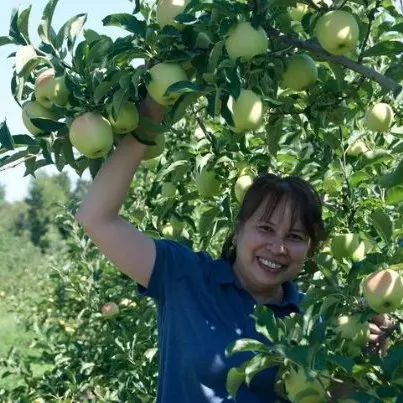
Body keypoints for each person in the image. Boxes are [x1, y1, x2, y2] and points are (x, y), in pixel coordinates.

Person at [75, 94, 391, 402]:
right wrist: (149, 119)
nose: (278, 247)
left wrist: (364, 353)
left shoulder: (315, 317)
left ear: (311, 248)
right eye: (266, 229)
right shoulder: (185, 277)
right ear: (238, 230)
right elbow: (96, 218)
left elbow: (331, 396)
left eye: (295, 237)